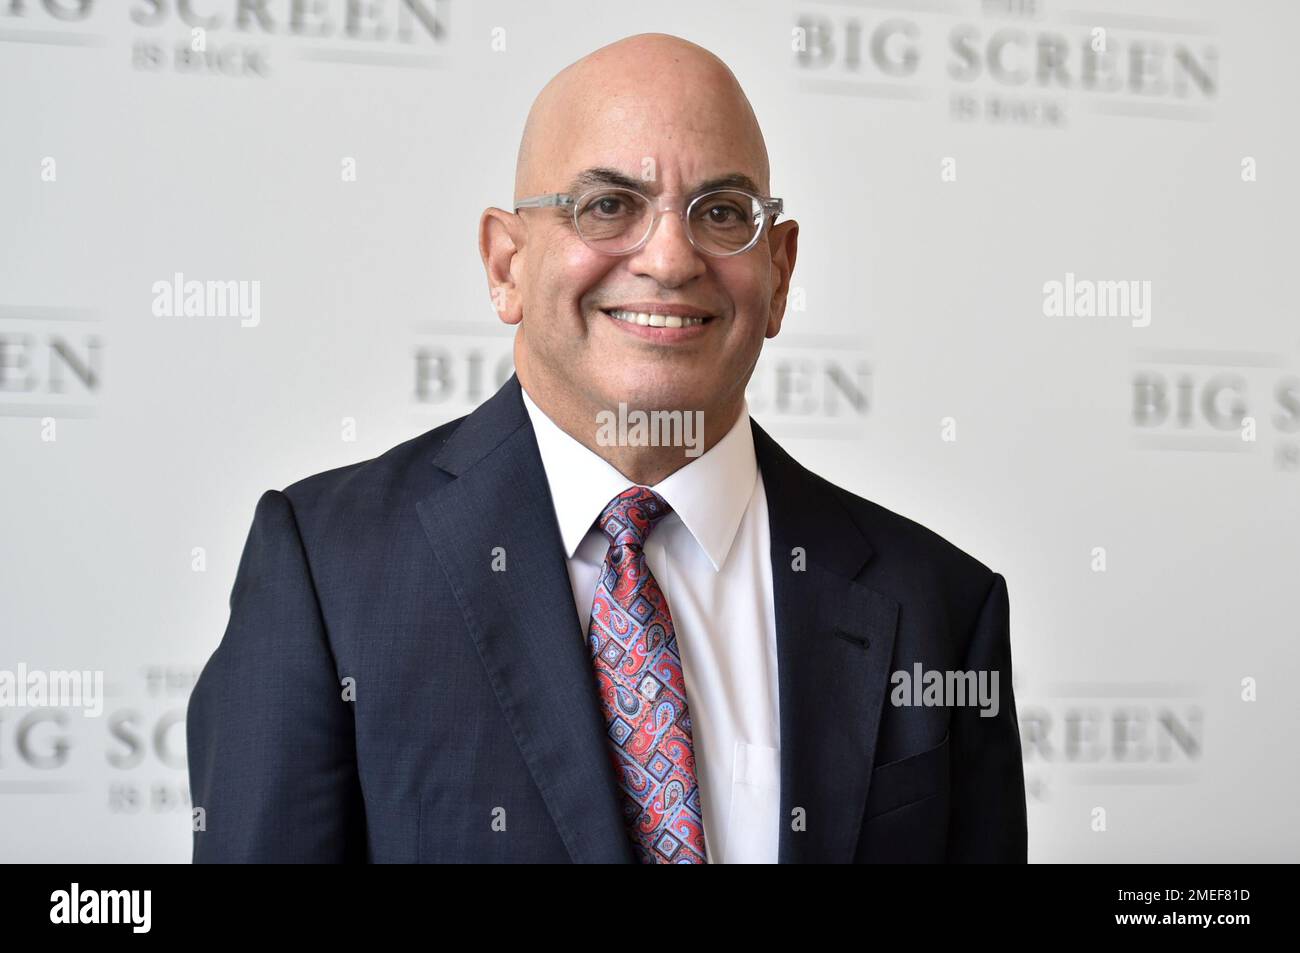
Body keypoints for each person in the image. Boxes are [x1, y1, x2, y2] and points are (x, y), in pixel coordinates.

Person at [187, 32, 1026, 863]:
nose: (669, 259)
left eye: (722, 214)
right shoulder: (329, 572)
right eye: (609, 205)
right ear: (506, 263)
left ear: (779, 268)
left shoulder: (938, 606)